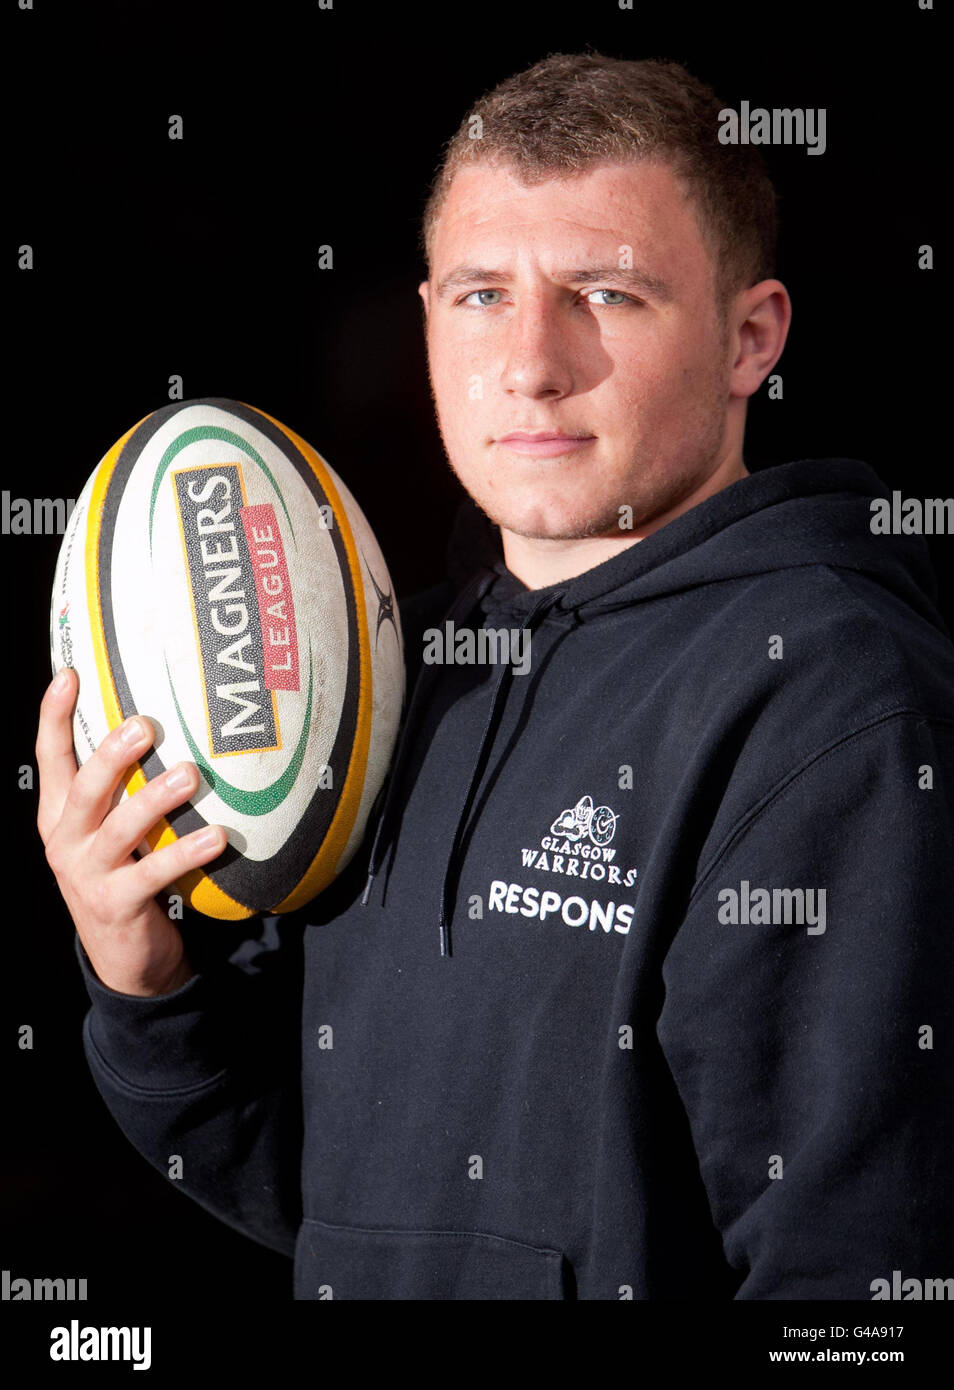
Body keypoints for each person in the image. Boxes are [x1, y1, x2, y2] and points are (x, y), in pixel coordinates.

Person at [36, 53, 954, 1300]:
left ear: (752, 339)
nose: (530, 362)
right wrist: (140, 974)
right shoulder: (380, 687)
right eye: (480, 295)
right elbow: (320, 1196)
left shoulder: (834, 701)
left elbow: (854, 1289)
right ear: (426, 322)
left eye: (608, 295)